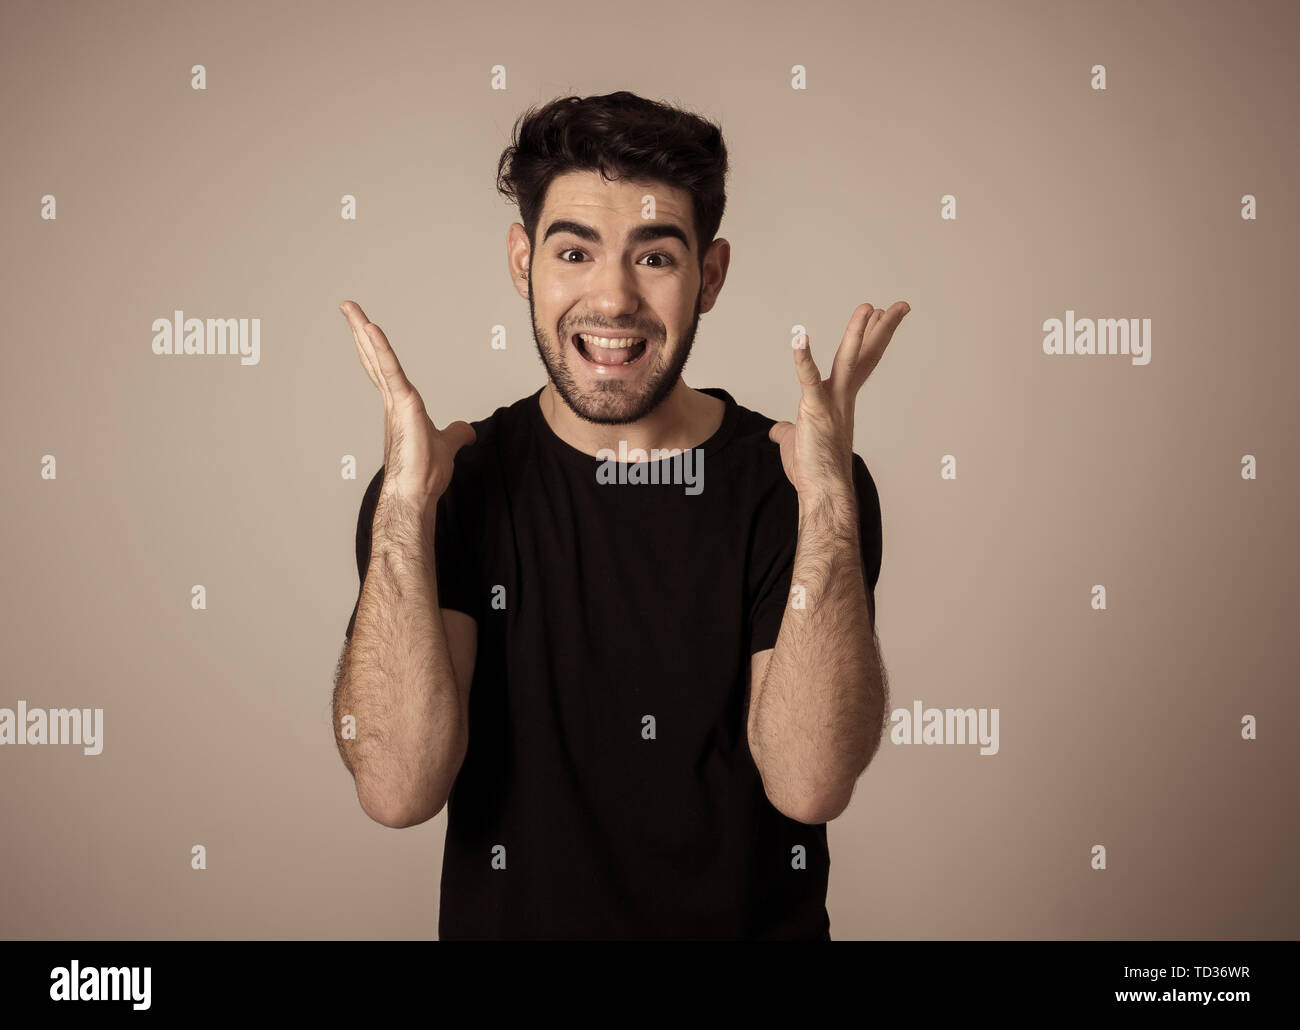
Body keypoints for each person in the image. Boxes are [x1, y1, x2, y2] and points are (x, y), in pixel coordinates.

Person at [331, 91, 910, 940]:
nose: (613, 300)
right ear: (523, 263)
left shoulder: (794, 488)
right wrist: (403, 515)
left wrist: (828, 504)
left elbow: (809, 782)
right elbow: (397, 790)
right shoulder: (442, 491)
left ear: (708, 277)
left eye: (655, 258)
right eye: (574, 251)